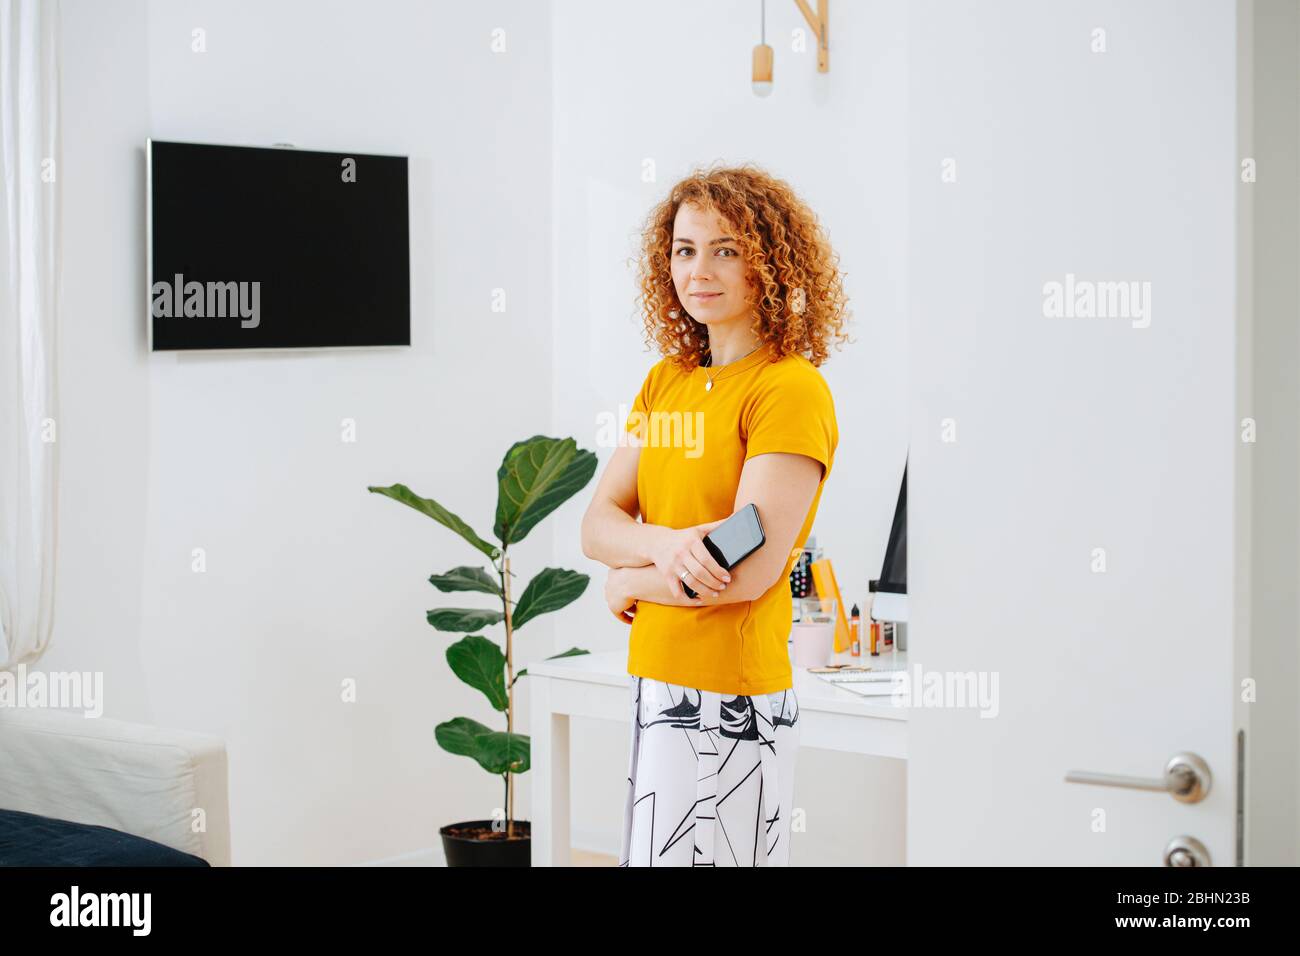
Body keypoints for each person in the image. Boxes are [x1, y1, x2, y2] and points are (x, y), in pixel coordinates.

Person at [580, 163, 850, 866]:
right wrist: (666, 547)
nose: (699, 270)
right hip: (658, 680)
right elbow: (598, 523)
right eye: (684, 249)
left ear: (770, 262)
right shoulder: (668, 382)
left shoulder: (789, 391)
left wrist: (628, 583)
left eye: (726, 249)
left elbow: (747, 569)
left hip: (733, 698)